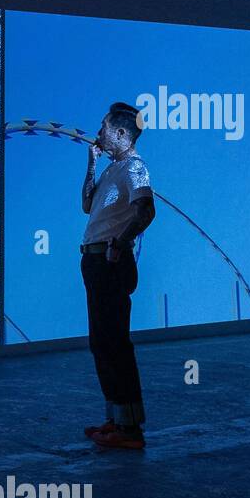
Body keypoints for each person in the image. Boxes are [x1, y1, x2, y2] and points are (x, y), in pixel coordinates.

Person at [80, 102, 155, 449]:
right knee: (101, 342)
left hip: (110, 263)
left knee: (115, 344)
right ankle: (115, 420)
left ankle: (130, 429)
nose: (99, 132)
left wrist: (120, 244)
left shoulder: (134, 169)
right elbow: (86, 204)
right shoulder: (112, 169)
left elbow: (146, 210)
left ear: (122, 133)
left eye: (104, 126)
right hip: (94, 263)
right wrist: (92, 162)